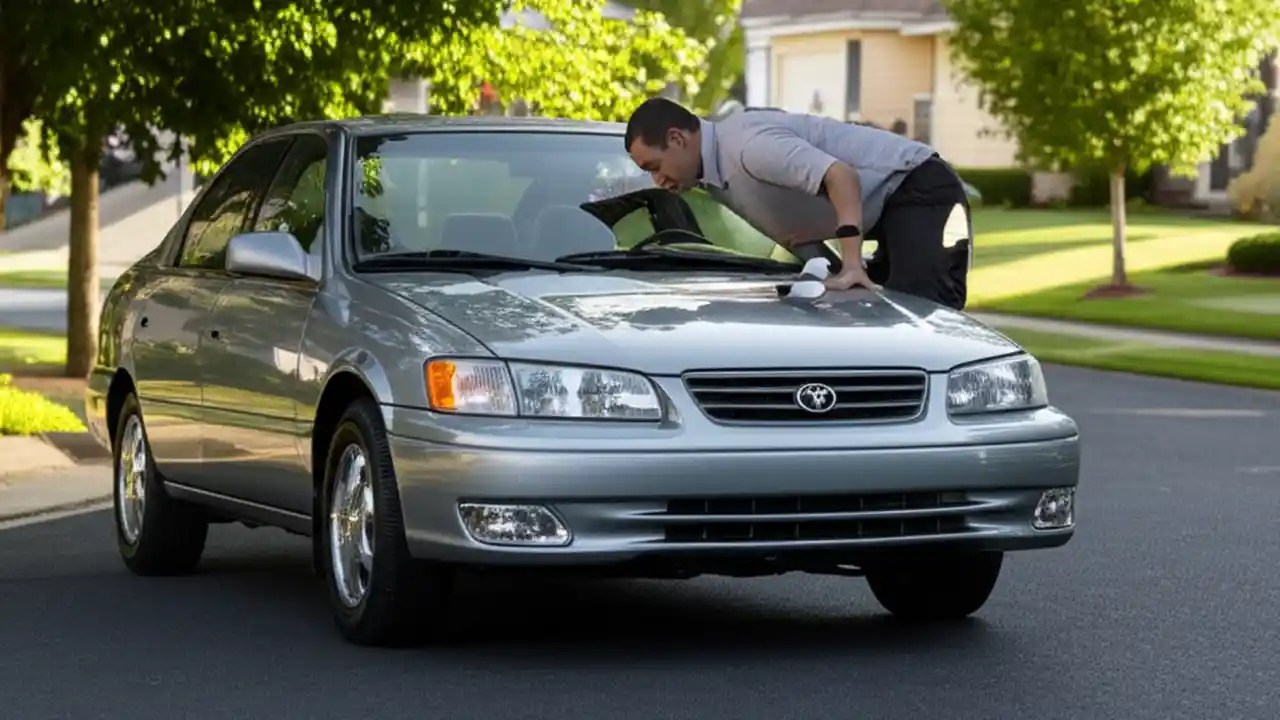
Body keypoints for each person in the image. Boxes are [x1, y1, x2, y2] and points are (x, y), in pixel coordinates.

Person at [623, 97, 973, 310]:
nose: (658, 181)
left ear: (676, 138)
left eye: (654, 167)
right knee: (873, 315)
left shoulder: (747, 145)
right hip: (883, 207)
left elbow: (842, 177)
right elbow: (798, 236)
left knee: (925, 314)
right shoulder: (715, 178)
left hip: (918, 186)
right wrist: (831, 277)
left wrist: (852, 266)